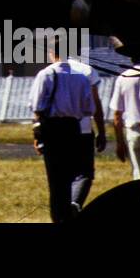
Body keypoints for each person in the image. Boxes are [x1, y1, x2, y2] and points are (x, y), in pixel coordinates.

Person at [31, 39, 105, 222]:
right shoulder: (81, 77)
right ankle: (71, 212)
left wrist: (37, 136)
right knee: (74, 174)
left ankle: (59, 218)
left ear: (51, 53)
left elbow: (37, 107)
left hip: (53, 129)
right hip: (74, 128)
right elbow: (89, 108)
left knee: (57, 183)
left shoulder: (46, 74)